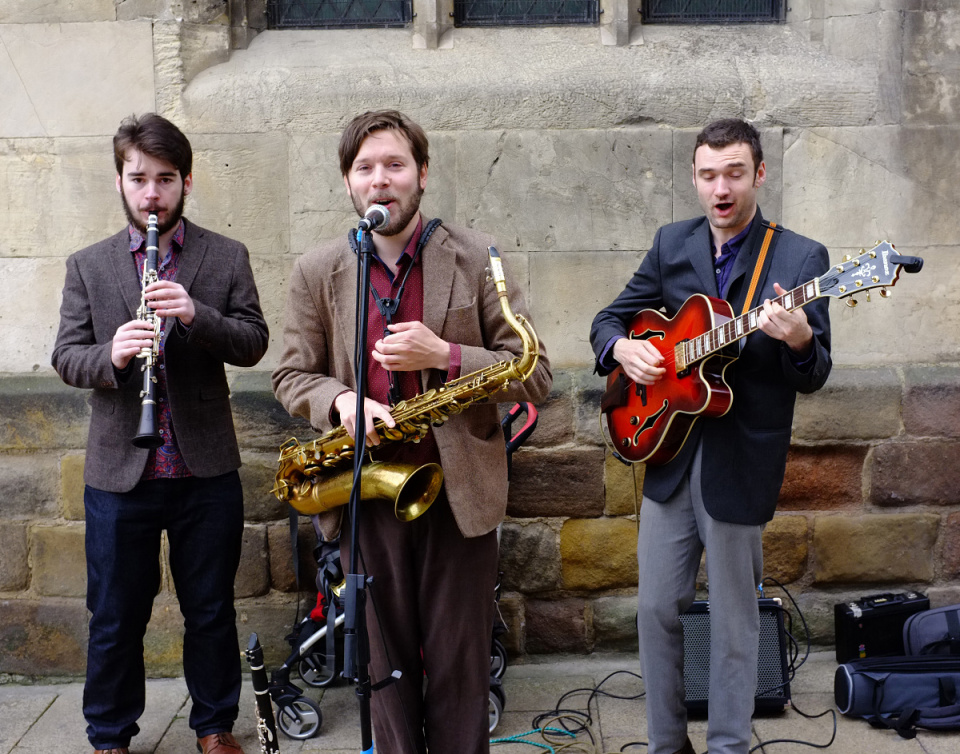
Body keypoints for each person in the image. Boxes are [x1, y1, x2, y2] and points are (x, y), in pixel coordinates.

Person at [272, 109, 552, 753]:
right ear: (348, 183)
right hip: (365, 494)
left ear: (422, 173)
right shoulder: (318, 270)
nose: (381, 181)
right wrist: (340, 399)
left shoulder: (478, 255)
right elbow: (290, 377)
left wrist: (445, 356)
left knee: (460, 669)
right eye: (365, 168)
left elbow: (533, 376)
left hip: (459, 495)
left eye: (395, 165)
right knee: (382, 674)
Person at [590, 119, 832, 754]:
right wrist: (624, 349)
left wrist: (800, 340)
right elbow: (609, 317)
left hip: (739, 460)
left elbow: (815, 372)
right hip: (667, 448)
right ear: (695, 178)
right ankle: (667, 745)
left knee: (732, 621)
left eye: (733, 173)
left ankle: (728, 746)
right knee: (655, 611)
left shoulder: (800, 259)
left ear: (758, 174)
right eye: (707, 175)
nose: (720, 188)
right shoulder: (673, 243)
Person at [52, 113, 269, 754]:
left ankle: (213, 727)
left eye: (165, 179)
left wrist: (198, 315)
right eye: (138, 178)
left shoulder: (225, 256)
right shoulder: (88, 266)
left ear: (186, 182)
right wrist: (112, 354)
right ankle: (110, 736)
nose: (152, 194)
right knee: (115, 616)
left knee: (210, 608)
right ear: (120, 180)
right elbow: (67, 356)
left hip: (204, 469)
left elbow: (254, 341)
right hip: (121, 472)